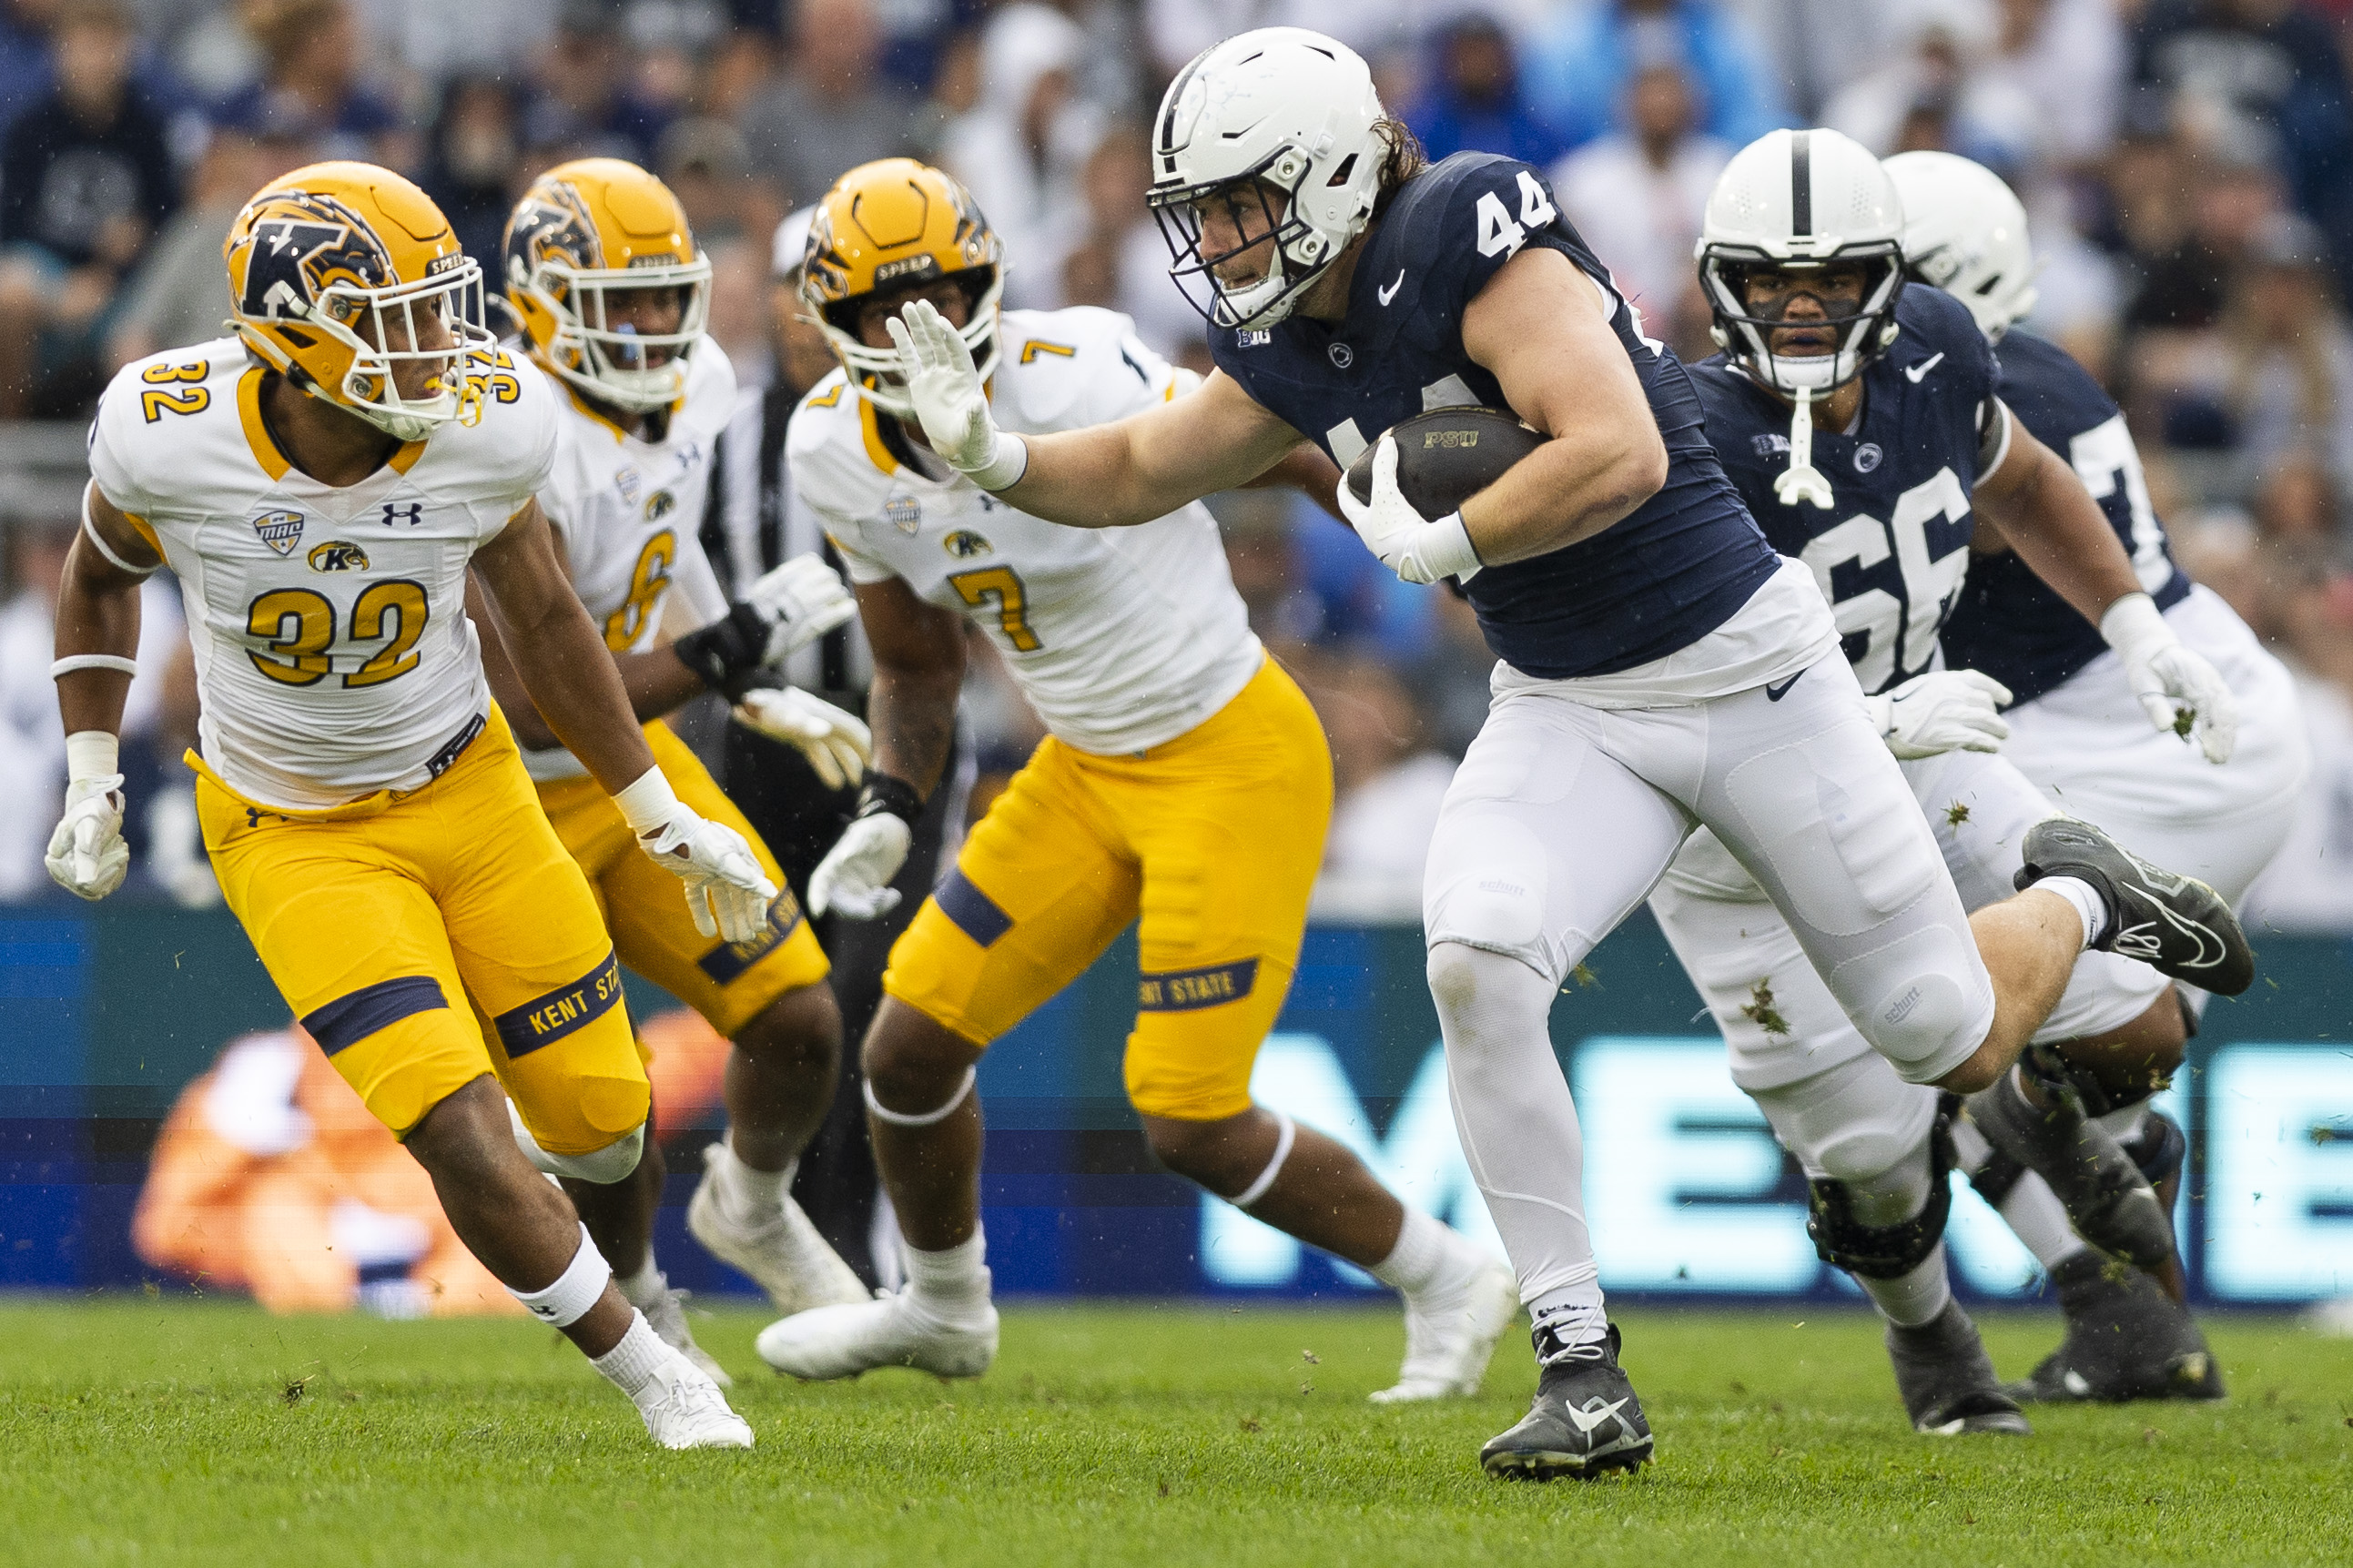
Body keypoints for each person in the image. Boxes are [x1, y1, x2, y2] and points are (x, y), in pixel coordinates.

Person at [860, 29, 2252, 1479]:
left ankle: (2081, 893)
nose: (1214, 242)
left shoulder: (1465, 226)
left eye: (1237, 204)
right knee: (1476, 954)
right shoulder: (1287, 341)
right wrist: (995, 458)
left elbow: (1616, 449)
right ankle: (1580, 1364)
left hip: (1746, 666)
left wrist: (1447, 538)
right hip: (1569, 696)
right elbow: (1148, 463)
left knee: (1941, 1034)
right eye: (1199, 212)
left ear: (1328, 177)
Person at [752, 157, 1520, 1404]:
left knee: (1187, 1110)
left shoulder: (1075, 368)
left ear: (989, 281)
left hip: (1228, 754)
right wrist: (890, 800)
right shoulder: (830, 446)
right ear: (826, 322)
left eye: (940, 294)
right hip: (1084, 767)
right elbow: (915, 664)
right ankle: (944, 1308)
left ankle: (1444, 1275)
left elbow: (1276, 448)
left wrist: (1424, 547)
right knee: (906, 1045)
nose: (918, 328)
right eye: (882, 308)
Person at [51, 159, 772, 1449]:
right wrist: (93, 766)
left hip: (472, 788)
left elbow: (544, 616)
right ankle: (653, 1374)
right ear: (293, 331)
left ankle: (631, 1280)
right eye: (400, 317)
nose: (441, 341)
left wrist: (653, 803)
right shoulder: (169, 428)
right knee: (456, 1118)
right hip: (291, 829)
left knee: (606, 1124)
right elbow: (98, 573)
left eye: (441, 306)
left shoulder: (484, 421)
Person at [1656, 126, 2253, 1435]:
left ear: (1890, 280)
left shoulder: (1936, 350)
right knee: (1871, 1162)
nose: (1798, 308)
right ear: (1718, 284)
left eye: (1831, 278)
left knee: (2135, 1028)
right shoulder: (1679, 433)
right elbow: (1679, 687)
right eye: (1767, 282)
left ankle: (2045, 1074)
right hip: (1731, 817)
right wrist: (1867, 717)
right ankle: (1931, 1337)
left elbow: (2024, 480)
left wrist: (2135, 628)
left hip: (1924, 756)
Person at [1892, 148, 2310, 1400]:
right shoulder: (2030, 367)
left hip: (2114, 738)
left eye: (1871, 273)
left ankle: (2099, 1219)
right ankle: (2141, 1328)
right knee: (2051, 1066)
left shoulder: (1961, 393)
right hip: (2193, 703)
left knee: (1929, 1025)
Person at [487, 158, 881, 1366]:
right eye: (627, 301)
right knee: (607, 1113)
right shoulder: (505, 431)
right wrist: (733, 648)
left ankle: (749, 1202)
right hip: (504, 803)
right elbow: (538, 706)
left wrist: (746, 679)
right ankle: (644, 1295)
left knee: (800, 1018)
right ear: (545, 301)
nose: (658, 323)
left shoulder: (697, 381)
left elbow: (663, 543)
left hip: (636, 768)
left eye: (669, 295)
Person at [699, 207, 978, 1290]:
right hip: (765, 742)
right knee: (786, 997)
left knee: (874, 989)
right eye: (796, 287)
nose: (810, 314)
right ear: (775, 301)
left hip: (897, 736)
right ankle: (800, 1231)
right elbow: (678, 589)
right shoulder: (723, 438)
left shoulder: (920, 424)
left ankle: (855, 1236)